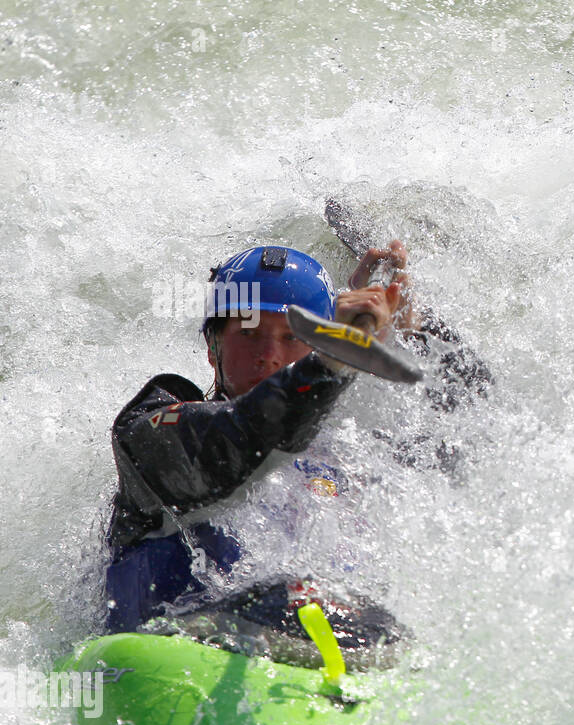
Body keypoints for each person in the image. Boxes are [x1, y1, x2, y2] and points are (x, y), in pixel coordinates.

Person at [103, 239, 488, 664]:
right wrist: (329, 362)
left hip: (319, 668)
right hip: (163, 664)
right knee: (291, 598)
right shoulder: (152, 424)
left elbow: (469, 428)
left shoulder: (349, 455)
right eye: (248, 334)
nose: (269, 356)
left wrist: (415, 328)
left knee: (363, 620)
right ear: (213, 349)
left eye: (292, 338)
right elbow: (234, 444)